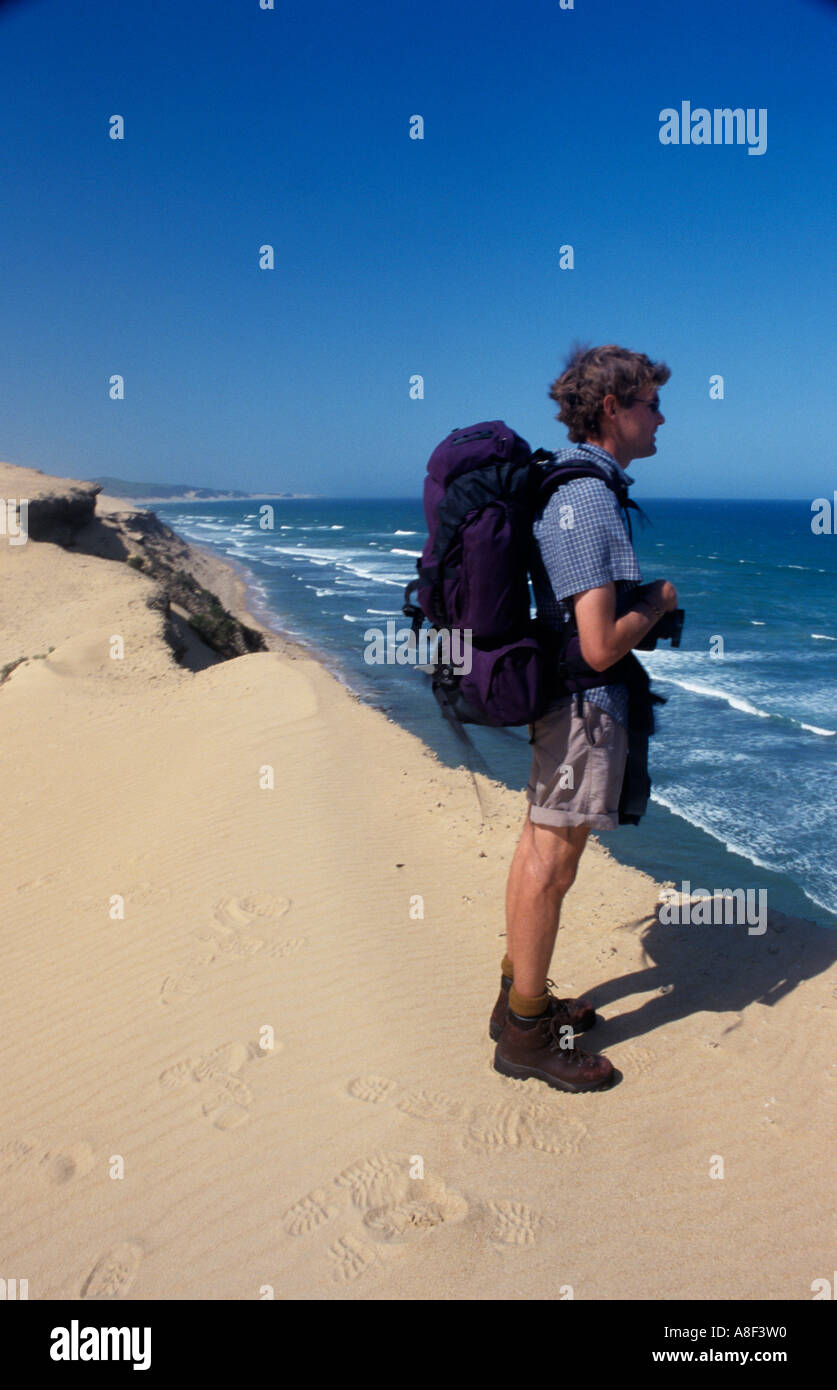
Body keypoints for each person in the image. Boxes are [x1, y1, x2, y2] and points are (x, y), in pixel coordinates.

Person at [491, 343, 679, 1093]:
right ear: (613, 409)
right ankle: (527, 1038)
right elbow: (598, 645)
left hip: (565, 703)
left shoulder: (580, 488)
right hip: (581, 708)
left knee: (542, 852)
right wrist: (655, 603)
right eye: (651, 404)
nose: (661, 417)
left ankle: (519, 1000)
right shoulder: (586, 499)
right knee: (549, 863)